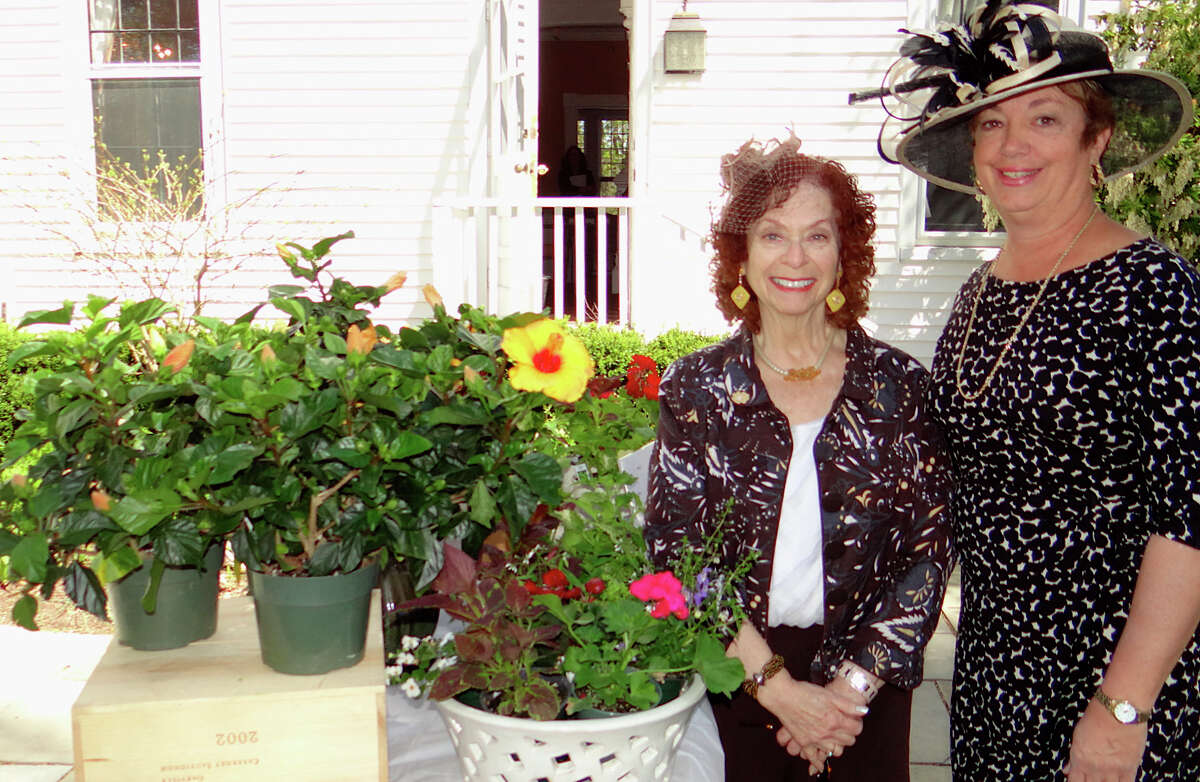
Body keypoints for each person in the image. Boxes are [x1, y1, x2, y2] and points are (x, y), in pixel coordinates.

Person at [854, 2, 1199, 778]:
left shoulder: (1155, 289)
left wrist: (1122, 708)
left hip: (1115, 682)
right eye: (990, 124)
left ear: (1096, 138)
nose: (1012, 146)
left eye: (1044, 119)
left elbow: (1191, 518)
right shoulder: (978, 295)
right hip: (992, 678)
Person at [644, 135, 953, 781]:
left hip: (866, 685)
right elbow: (677, 552)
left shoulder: (899, 386)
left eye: (817, 236)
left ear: (845, 257)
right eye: (772, 235)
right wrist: (782, 693)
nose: (795, 257)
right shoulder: (697, 389)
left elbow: (927, 553)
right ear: (741, 255)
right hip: (739, 673)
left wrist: (846, 697)